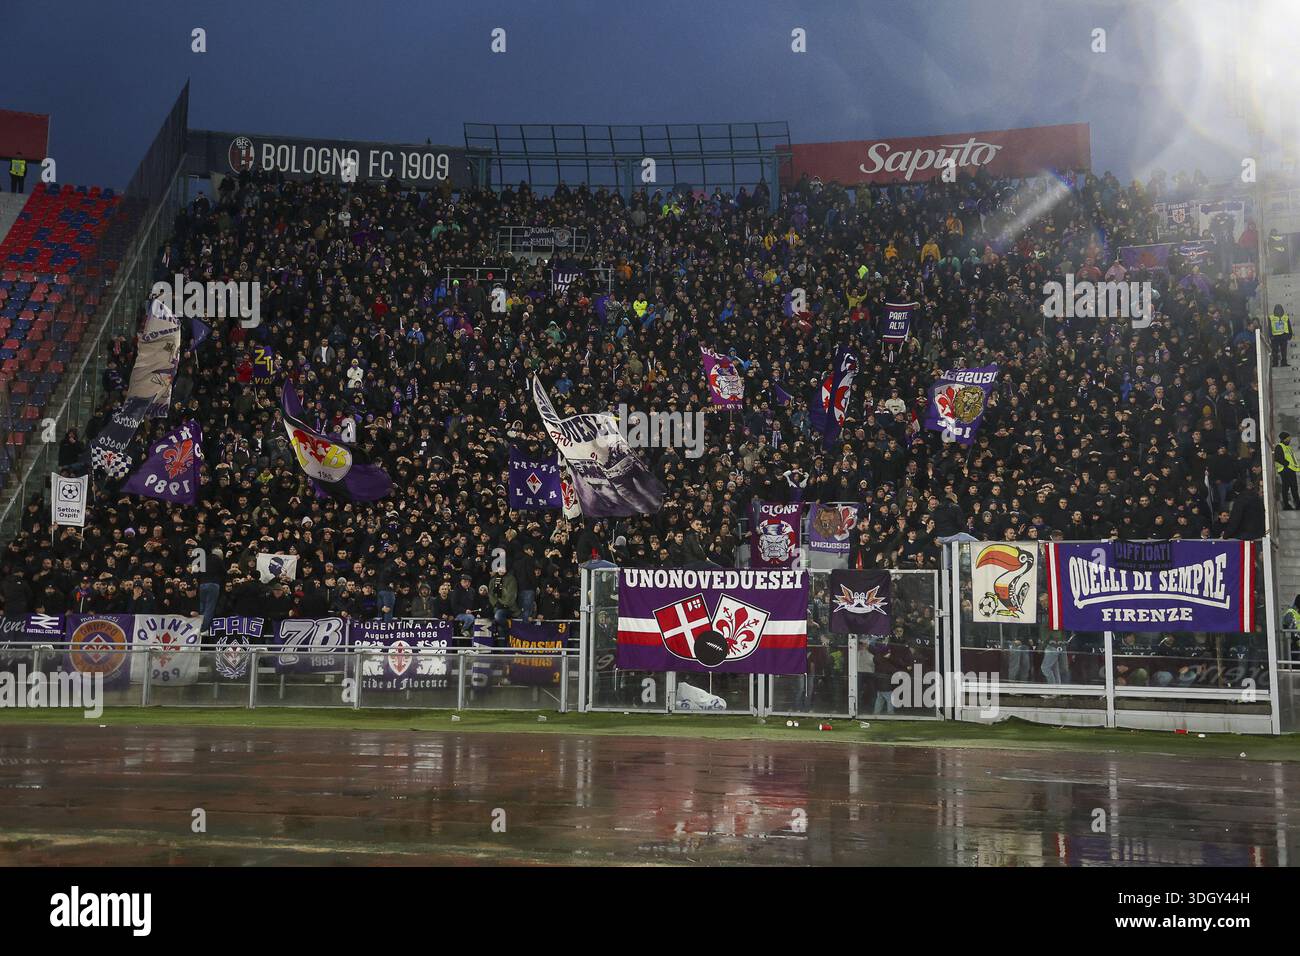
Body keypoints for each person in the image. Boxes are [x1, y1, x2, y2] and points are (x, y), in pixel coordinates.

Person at [1276, 435, 1300, 511]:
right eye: (1288, 439)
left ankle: (1297, 504)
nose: (1289, 440)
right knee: (1286, 488)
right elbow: (1278, 458)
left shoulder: (1288, 447)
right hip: (1285, 471)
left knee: (1294, 488)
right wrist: (1288, 464)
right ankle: (1287, 505)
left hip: (1290, 470)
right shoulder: (1279, 446)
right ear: (1283, 439)